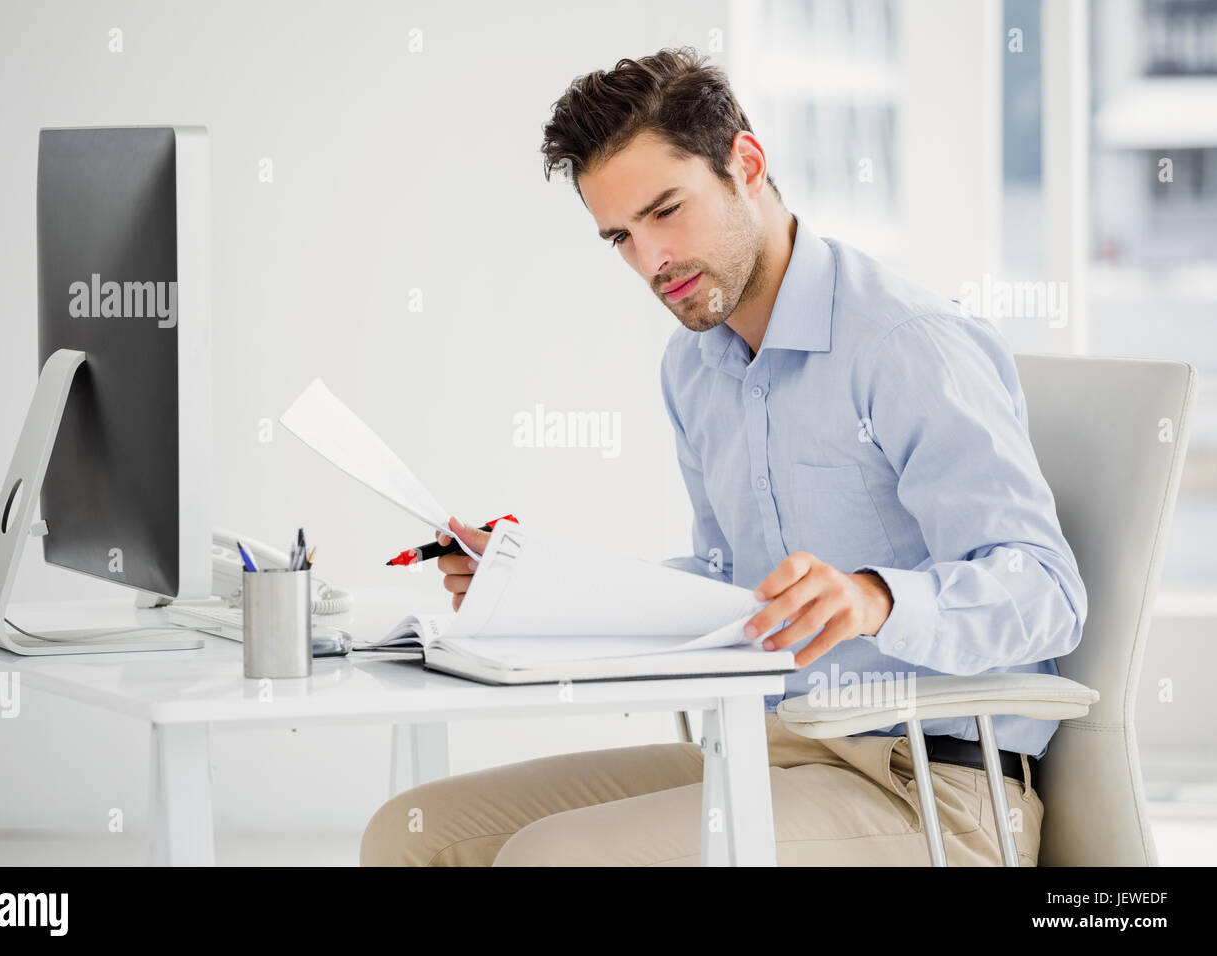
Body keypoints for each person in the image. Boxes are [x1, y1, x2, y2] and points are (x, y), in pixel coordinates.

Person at [360, 47, 1087, 866]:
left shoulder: (903, 344)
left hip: (931, 787)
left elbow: (1047, 591)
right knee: (409, 836)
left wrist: (877, 598)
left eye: (666, 211)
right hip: (768, 748)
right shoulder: (696, 368)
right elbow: (726, 587)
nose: (651, 262)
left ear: (745, 162)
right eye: (620, 238)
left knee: (555, 857)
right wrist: (543, 587)